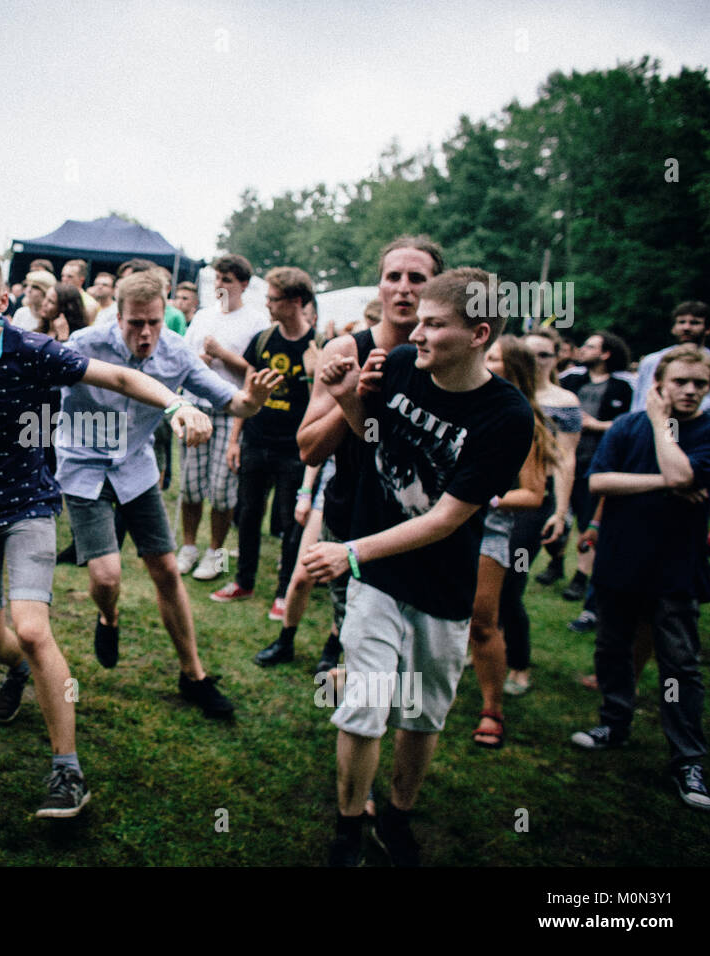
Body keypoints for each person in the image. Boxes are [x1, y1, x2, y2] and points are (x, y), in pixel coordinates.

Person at [0, 246, 219, 818]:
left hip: (29, 509)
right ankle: (16, 671)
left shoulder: (34, 352)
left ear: (1, 302)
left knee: (33, 631)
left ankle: (68, 771)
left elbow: (118, 375)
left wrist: (176, 403)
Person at [302, 266, 534, 866]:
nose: (417, 333)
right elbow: (374, 441)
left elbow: (447, 519)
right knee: (364, 700)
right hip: (377, 574)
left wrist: (349, 551)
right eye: (419, 322)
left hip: (442, 582)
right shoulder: (402, 366)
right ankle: (349, 828)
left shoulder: (507, 417)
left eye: (434, 324)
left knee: (424, 711)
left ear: (479, 333)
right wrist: (349, 393)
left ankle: (398, 816)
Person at [57, 270, 280, 716]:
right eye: (135, 323)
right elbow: (36, 388)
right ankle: (109, 616)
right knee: (106, 577)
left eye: (154, 323)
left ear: (166, 318)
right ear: (115, 316)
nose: (145, 333)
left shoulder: (176, 352)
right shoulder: (83, 345)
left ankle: (193, 675)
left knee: (165, 569)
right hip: (82, 467)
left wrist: (252, 402)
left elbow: (230, 402)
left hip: (136, 470)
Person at [569, 345, 710, 812]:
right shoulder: (626, 427)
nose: (691, 391)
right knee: (612, 649)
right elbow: (598, 482)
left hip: (675, 566)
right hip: (620, 560)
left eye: (700, 383)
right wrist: (668, 483)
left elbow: (683, 469)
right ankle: (614, 724)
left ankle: (687, 760)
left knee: (680, 664)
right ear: (659, 383)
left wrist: (662, 429)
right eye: (681, 382)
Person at [295, 236, 444, 676]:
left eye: (417, 278)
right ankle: (356, 715)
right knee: (360, 643)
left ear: (437, 289)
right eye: (392, 277)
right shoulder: (345, 350)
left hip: (421, 523)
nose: (403, 288)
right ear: (378, 287)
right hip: (353, 513)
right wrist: (352, 399)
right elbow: (309, 449)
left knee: (414, 651)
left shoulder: (447, 357)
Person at [213, 266, 317, 614]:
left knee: (289, 523)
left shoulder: (316, 347)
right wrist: (234, 441)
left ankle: (284, 593)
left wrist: (315, 372)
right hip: (255, 442)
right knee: (247, 514)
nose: (269, 305)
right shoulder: (263, 339)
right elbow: (248, 389)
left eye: (274, 299)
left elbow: (321, 404)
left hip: (293, 450)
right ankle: (243, 581)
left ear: (296, 302)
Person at [467, 336, 554, 747]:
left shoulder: (525, 420)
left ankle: (492, 709)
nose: (484, 360)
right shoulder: (466, 401)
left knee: (484, 622)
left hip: (490, 527)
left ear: (513, 368)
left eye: (494, 357)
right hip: (440, 524)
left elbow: (533, 493)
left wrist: (486, 495)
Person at [177, 254, 269, 580]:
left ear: (243, 284)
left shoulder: (256, 321)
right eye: (217, 279)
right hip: (197, 407)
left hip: (232, 412)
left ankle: (215, 553)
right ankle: (188, 547)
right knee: (189, 486)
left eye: (227, 280)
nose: (220, 285)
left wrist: (222, 355)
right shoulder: (202, 317)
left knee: (222, 490)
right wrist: (201, 357)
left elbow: (258, 373)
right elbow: (184, 361)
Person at [501, 332, 582, 695]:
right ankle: (485, 640)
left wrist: (561, 512)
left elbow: (565, 459)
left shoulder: (562, 401)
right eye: (530, 353)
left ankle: (519, 664)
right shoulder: (499, 394)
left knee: (512, 585)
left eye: (545, 354)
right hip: (496, 496)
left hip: (533, 504)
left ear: (557, 357)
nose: (537, 360)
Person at [555, 331, 633, 606]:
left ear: (606, 353)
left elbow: (632, 424)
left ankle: (580, 576)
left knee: (588, 521)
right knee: (557, 516)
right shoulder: (569, 379)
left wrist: (596, 425)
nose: (582, 349)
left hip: (597, 464)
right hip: (562, 459)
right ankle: (556, 562)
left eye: (590, 346)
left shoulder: (624, 386)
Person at [631, 302, 710, 419]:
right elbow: (639, 402)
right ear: (673, 328)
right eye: (681, 322)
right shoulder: (652, 361)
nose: (686, 327)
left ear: (708, 329)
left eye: (694, 323)